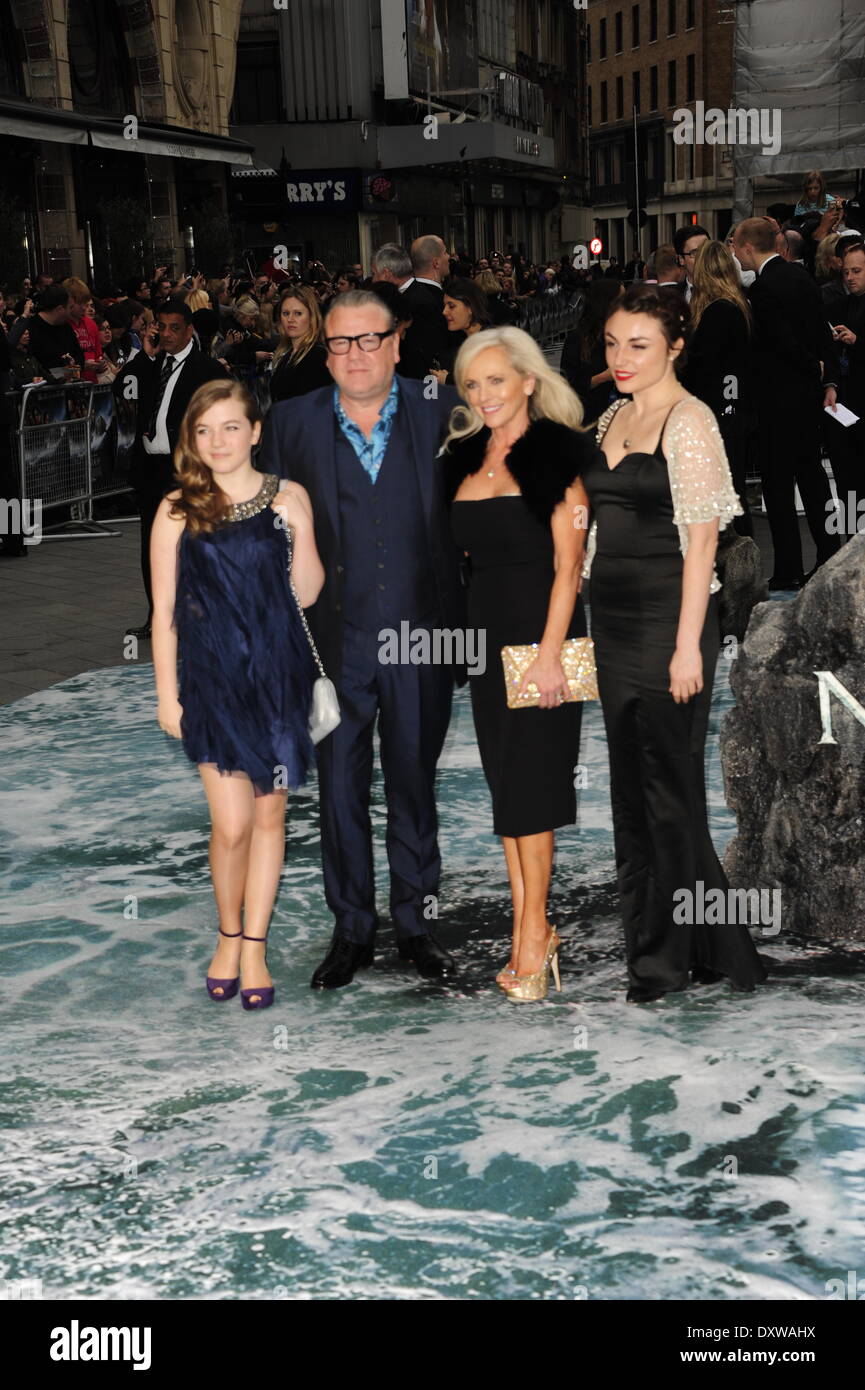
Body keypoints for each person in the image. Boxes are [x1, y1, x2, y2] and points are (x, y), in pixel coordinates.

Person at [257, 290, 466, 990]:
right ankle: (351, 931)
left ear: (396, 343)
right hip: (329, 647)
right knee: (339, 794)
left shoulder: (443, 409)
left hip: (422, 639)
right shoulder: (289, 422)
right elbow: (256, 530)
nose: (353, 355)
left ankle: (416, 925)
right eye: (339, 343)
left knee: (414, 785)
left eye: (367, 340)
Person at [581, 284, 767, 1002]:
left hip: (671, 621)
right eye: (610, 344)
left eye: (638, 345)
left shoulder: (688, 423)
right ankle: (689, 949)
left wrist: (690, 645)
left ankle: (665, 963)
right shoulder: (612, 415)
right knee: (634, 796)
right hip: (613, 621)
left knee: (667, 794)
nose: (620, 359)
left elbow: (700, 548)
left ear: (674, 347)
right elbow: (595, 529)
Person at [150, 379, 323, 1010]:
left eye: (230, 427)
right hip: (213, 681)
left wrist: (299, 527)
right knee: (231, 824)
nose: (217, 441)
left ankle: (254, 945)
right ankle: (227, 934)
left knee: (270, 816)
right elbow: (163, 612)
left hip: (278, 678)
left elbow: (306, 594)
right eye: (203, 430)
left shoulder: (289, 496)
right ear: (191, 440)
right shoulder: (177, 507)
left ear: (254, 431)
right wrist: (167, 696)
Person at [444, 328, 593, 1002]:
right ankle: (529, 926)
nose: (483, 395)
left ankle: (532, 935)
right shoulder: (465, 456)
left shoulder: (558, 455)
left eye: (495, 381)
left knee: (532, 791)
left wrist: (549, 658)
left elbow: (569, 569)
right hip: (485, 642)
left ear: (528, 381)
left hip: (542, 642)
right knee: (509, 791)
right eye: (472, 384)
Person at [732, 216, 840, 587]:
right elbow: (820, 331)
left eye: (735, 246)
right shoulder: (802, 277)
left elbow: (783, 343)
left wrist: (813, 367)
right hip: (807, 401)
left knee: (778, 489)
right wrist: (826, 379)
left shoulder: (763, 290)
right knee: (812, 480)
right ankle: (829, 556)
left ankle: (788, 570)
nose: (734, 253)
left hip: (778, 404)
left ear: (747, 247)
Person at [115, 297, 227, 639]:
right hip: (151, 469)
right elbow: (122, 390)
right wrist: (144, 356)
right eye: (160, 327)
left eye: (174, 328)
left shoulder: (207, 369)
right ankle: (159, 616)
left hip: (188, 470)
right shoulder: (150, 364)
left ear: (189, 330)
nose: (166, 334)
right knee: (153, 546)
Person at [683, 240, 755, 536]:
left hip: (719, 414)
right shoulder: (738, 307)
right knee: (731, 489)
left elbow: (706, 367)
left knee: (727, 492)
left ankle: (738, 562)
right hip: (730, 409)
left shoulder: (718, 312)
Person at [824, 240, 865, 541]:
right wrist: (831, 384)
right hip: (844, 409)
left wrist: (858, 342)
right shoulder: (839, 305)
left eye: (857, 271)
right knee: (846, 481)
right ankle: (851, 544)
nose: (850, 277)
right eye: (846, 272)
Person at [560, 278, 622, 425]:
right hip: (589, 418)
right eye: (621, 300)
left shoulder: (624, 335)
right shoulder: (578, 338)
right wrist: (604, 377)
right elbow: (568, 385)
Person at [269, 285, 331, 403]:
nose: (290, 319)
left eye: (298, 313)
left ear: (311, 317)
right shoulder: (286, 354)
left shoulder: (318, 356)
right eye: (286, 313)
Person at [401, 234, 452, 374]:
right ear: (436, 263)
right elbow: (431, 357)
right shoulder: (433, 302)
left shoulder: (405, 296)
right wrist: (431, 393)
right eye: (445, 252)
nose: (449, 257)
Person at [432, 277, 492, 385]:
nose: (444, 312)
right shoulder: (466, 341)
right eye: (444, 306)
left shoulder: (491, 342)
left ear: (471, 308)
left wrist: (449, 379)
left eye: (451, 306)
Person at [26, 286, 84, 375]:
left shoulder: (66, 328)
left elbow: (80, 358)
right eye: (70, 307)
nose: (71, 312)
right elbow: (35, 369)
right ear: (60, 309)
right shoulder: (31, 329)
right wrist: (66, 372)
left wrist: (72, 368)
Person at [674, 224, 710, 303]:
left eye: (706, 250)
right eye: (695, 253)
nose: (702, 257)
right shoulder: (673, 296)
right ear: (681, 259)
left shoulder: (728, 293)